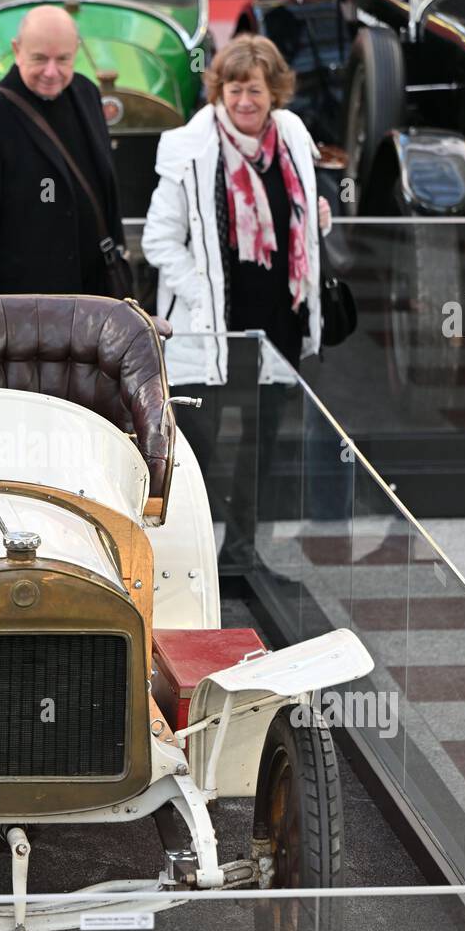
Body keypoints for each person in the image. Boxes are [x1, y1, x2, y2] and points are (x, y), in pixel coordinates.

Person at [142, 33, 332, 570]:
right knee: (201, 453)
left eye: (254, 90)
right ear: (218, 91)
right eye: (233, 90)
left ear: (275, 92)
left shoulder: (292, 138)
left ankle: (244, 553)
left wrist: (317, 221)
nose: (244, 102)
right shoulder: (191, 148)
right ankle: (193, 561)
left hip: (277, 324)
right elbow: (159, 240)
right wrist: (206, 295)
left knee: (261, 447)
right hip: (211, 332)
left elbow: (296, 220)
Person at [0, 5, 125, 297]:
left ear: (76, 52)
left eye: (63, 59)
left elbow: (104, 183)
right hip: (25, 308)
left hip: (94, 299)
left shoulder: (86, 92)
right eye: (39, 59)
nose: (51, 72)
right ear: (17, 50)